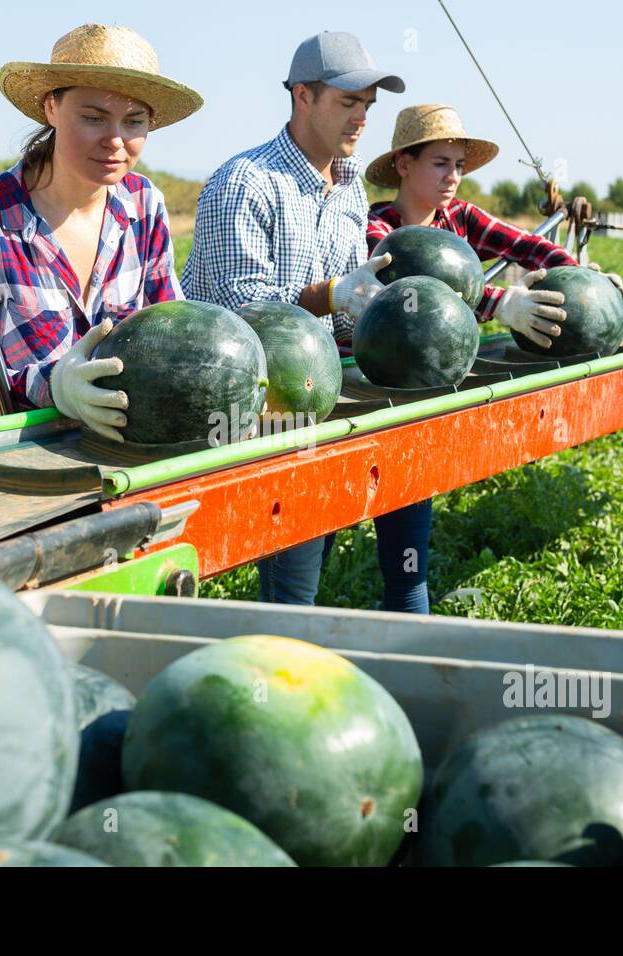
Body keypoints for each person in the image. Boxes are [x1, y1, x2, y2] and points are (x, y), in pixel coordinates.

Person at [362, 103, 623, 613]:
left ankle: (406, 649)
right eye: (441, 163)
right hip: (380, 386)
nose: (453, 177)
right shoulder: (380, 228)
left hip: (436, 388)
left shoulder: (461, 218)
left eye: (460, 166)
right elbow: (409, 290)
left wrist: (590, 282)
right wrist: (498, 303)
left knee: (408, 549)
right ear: (403, 164)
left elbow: (536, 248)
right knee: (322, 535)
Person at [0, 23, 201, 440]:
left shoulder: (144, 206)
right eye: (93, 118)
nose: (115, 140)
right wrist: (53, 386)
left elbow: (169, 331)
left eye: (134, 121)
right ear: (51, 108)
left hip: (94, 445)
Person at [182, 30, 403, 605]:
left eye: (368, 107)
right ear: (302, 95)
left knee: (310, 548)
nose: (361, 119)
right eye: (348, 102)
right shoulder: (245, 182)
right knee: (295, 579)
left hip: (310, 394)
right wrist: (332, 294)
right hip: (236, 401)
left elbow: (345, 311)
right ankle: (275, 672)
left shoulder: (351, 190)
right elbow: (240, 312)